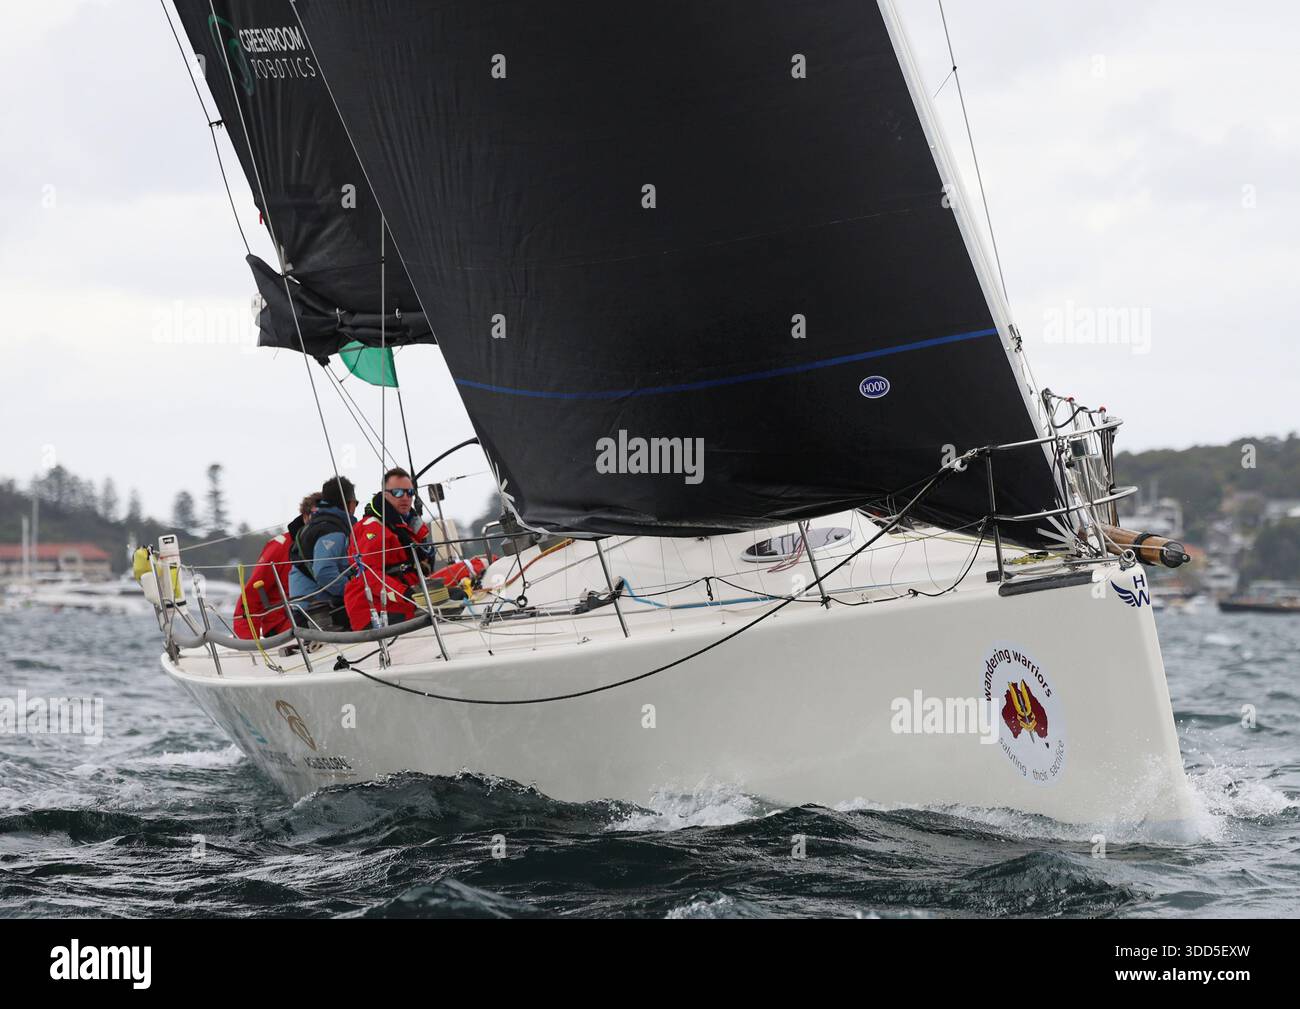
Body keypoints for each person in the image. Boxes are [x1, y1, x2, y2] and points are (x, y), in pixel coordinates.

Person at [344, 467, 436, 630]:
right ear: (385, 494)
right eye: (398, 492)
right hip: (375, 610)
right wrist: (406, 594)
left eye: (409, 492)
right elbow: (368, 573)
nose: (405, 498)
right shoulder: (372, 528)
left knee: (469, 573)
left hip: (407, 598)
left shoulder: (406, 525)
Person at [232, 492, 321, 640]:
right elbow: (251, 596)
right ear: (305, 517)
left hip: (322, 623)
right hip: (285, 632)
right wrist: (249, 644)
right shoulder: (280, 547)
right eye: (316, 515)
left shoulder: (333, 542)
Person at [288, 476, 358, 628]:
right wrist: (355, 590)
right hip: (320, 614)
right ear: (349, 503)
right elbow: (324, 571)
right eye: (355, 503)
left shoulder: (318, 525)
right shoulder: (331, 530)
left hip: (308, 609)